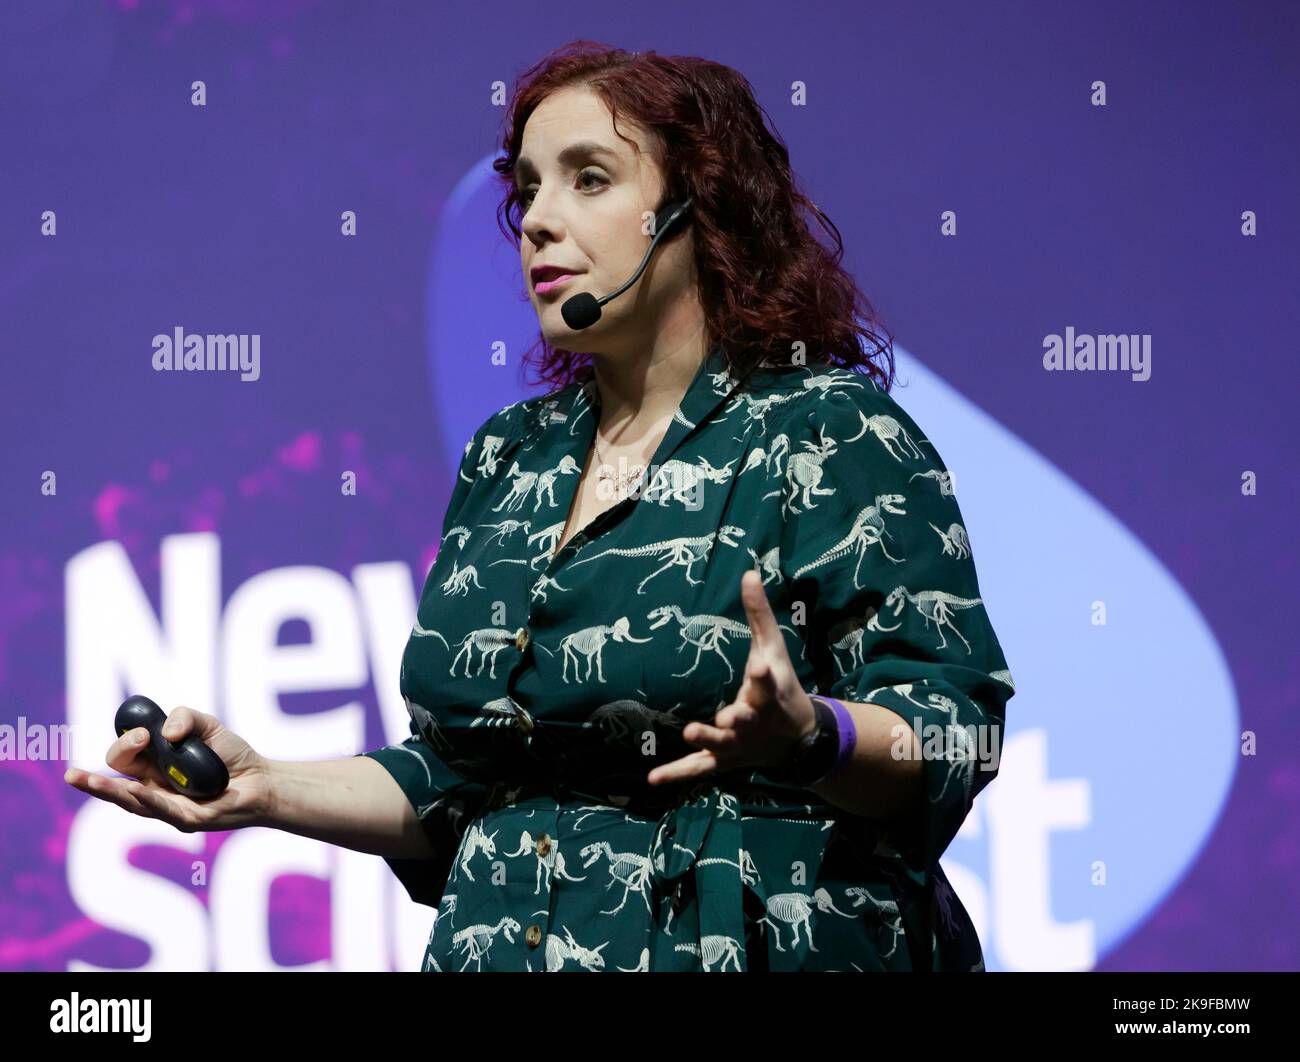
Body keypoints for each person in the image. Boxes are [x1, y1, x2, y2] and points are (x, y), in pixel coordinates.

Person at [64, 41, 1015, 973]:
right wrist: (266, 788)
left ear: (699, 213)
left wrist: (815, 737)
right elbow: (455, 781)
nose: (536, 222)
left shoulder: (828, 430)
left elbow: (953, 727)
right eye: (528, 191)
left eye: (589, 179)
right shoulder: (509, 456)